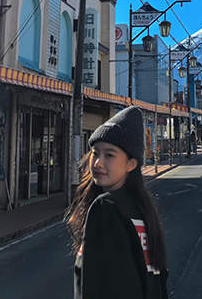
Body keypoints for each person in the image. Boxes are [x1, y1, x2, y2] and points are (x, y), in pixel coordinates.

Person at [66, 106, 169, 299]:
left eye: (110, 155)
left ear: (131, 163)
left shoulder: (106, 208)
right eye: (95, 153)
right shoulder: (143, 212)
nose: (97, 163)